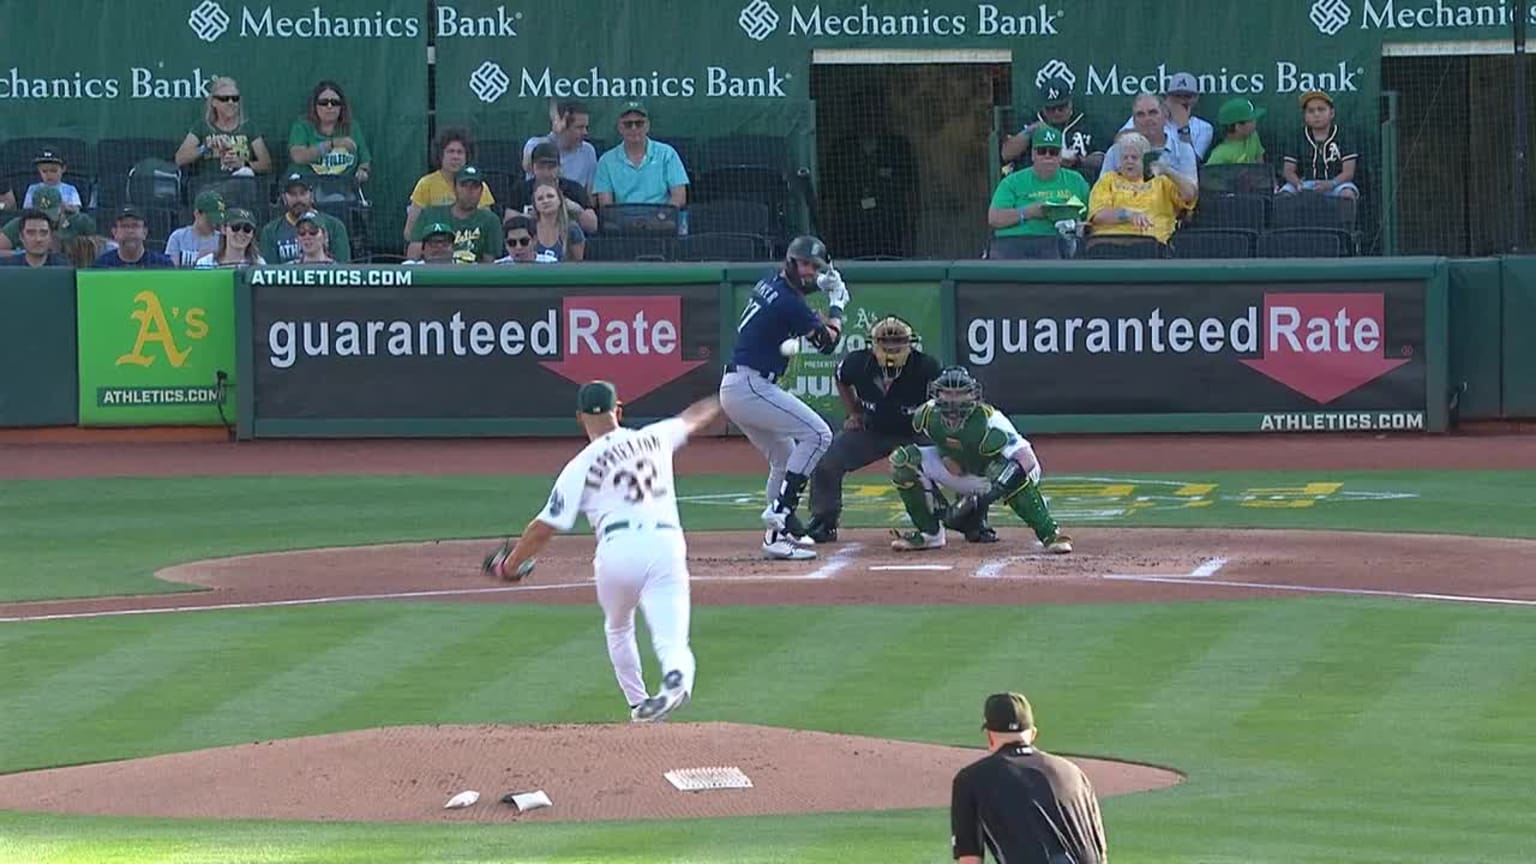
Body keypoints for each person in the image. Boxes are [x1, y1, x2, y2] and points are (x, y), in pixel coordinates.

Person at [480, 382, 722, 723]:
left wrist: (510, 565)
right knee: (672, 639)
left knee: (619, 627)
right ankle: (674, 683)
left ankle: (639, 704)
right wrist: (725, 396)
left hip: (616, 551)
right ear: (618, 409)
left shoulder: (580, 465)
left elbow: (543, 528)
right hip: (666, 546)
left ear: (579, 418)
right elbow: (694, 417)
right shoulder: (655, 436)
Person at [719, 235, 848, 561]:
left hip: (740, 384)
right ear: (791, 262)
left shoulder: (771, 283)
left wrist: (822, 283)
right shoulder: (789, 303)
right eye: (805, 264)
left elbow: (798, 292)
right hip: (749, 386)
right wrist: (837, 306)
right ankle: (779, 513)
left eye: (814, 266)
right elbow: (827, 343)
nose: (809, 271)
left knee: (784, 454)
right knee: (819, 435)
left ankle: (780, 533)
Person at [888, 366, 1071, 553]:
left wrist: (988, 496)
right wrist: (945, 456)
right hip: (966, 471)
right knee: (904, 460)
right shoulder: (927, 414)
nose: (953, 400)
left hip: (1000, 477)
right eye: (948, 393)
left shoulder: (989, 420)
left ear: (972, 395)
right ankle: (930, 534)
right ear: (937, 394)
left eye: (960, 394)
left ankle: (1049, 533)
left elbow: (1027, 459)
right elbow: (938, 439)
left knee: (1002, 469)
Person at [803, 316, 941, 543]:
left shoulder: (926, 366)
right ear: (874, 343)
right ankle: (824, 520)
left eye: (898, 341)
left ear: (909, 343)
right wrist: (854, 412)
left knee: (956, 458)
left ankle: (969, 520)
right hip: (873, 430)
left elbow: (942, 397)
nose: (892, 347)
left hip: (914, 431)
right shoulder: (858, 363)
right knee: (827, 459)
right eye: (886, 342)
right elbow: (840, 378)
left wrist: (935, 427)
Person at [950, 693, 1108, 864]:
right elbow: (1099, 851)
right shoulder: (1075, 774)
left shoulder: (971, 779)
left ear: (989, 736)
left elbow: (970, 860)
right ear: (1032, 734)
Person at [987, 125, 1091, 258]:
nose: (1047, 156)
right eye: (1042, 151)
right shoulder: (1012, 182)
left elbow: (1089, 216)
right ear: (1033, 155)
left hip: (1057, 241)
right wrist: (1029, 212)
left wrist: (1075, 224)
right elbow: (994, 218)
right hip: (1014, 242)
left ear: (1060, 156)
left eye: (1053, 152)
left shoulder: (1076, 180)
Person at [1087, 132, 1198, 254]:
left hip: (1150, 245)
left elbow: (1189, 195)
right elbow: (1097, 216)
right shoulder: (1108, 180)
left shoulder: (1161, 182)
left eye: (1134, 157)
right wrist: (1128, 215)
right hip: (1108, 243)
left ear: (1145, 160)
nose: (1129, 161)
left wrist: (1167, 170)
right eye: (1125, 157)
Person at [404, 127, 493, 246]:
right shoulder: (426, 184)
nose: (455, 157)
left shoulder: (480, 186)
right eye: (450, 151)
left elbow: (488, 228)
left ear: (467, 156)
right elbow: (410, 232)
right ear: (441, 155)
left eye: (460, 152)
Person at [1000, 77, 1107, 176]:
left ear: (1070, 103)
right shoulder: (1031, 122)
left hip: (1075, 190)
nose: (1057, 112)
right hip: (1035, 190)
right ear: (1043, 107)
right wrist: (1031, 130)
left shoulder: (1086, 123)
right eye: (1051, 108)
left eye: (1061, 107)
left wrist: (1078, 161)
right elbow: (1006, 154)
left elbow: (1104, 161)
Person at [593, 102, 689, 207]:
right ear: (620, 128)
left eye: (639, 123)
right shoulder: (606, 161)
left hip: (662, 219)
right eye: (628, 124)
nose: (634, 128)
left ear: (648, 126)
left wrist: (660, 218)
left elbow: (679, 197)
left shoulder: (667, 154)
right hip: (622, 221)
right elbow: (606, 206)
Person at [173, 76, 272, 177]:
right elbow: (179, 159)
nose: (231, 103)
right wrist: (205, 147)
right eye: (224, 99)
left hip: (241, 184)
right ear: (214, 102)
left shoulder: (249, 127)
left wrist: (243, 164)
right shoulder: (202, 126)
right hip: (208, 185)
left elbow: (266, 165)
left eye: (235, 99)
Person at [406, 166, 503, 263]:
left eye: (475, 186)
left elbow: (489, 264)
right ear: (454, 188)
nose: (469, 191)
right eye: (464, 185)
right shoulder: (430, 214)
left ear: (481, 191)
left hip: (473, 275)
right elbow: (412, 258)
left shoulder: (491, 220)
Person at [287, 80, 372, 184]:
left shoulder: (352, 127)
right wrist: (333, 144)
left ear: (342, 107)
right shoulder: (302, 126)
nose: (329, 106)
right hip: (307, 189)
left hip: (342, 188)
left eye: (335, 103)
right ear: (315, 105)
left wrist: (362, 171)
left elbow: (364, 160)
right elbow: (298, 157)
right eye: (323, 103)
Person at [1117, 72, 1214, 162]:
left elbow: (1193, 164)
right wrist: (1149, 126)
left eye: (1187, 96)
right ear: (1167, 97)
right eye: (1177, 96)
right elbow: (1118, 140)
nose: (1181, 101)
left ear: (1196, 98)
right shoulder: (1149, 114)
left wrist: (1183, 127)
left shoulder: (1204, 127)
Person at [1281, 90, 1360, 199]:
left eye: (1321, 109)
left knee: (1347, 194)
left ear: (1331, 113)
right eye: (1311, 111)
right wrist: (1298, 184)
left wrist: (1331, 184)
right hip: (1305, 184)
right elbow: (1288, 171)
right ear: (1305, 116)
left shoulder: (1345, 135)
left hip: (1336, 184)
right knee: (1284, 196)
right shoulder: (1296, 136)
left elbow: (1348, 172)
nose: (1316, 114)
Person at [1101, 92, 1199, 179]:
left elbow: (1192, 195)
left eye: (1153, 113)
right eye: (1140, 114)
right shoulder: (1115, 152)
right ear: (1134, 121)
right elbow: (1101, 192)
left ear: (1165, 116)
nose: (1147, 119)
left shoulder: (1184, 150)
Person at [260, 173, 351, 265]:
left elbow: (343, 267)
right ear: (284, 198)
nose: (298, 199)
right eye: (292, 194)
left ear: (311, 195)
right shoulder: (270, 231)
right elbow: (268, 271)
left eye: (303, 193)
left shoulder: (334, 226)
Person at [509, 141, 598, 234]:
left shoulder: (575, 189)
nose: (546, 173)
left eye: (551, 167)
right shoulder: (521, 189)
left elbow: (593, 226)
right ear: (532, 168)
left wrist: (572, 208)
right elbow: (508, 221)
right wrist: (530, 217)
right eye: (541, 167)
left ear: (559, 167)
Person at [522, 99, 597, 190]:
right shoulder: (535, 144)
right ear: (563, 127)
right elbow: (527, 167)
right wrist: (557, 133)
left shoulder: (588, 151)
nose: (585, 132)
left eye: (586, 127)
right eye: (579, 127)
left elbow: (589, 191)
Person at [0, 187, 96, 254]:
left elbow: (95, 248)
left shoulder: (79, 221)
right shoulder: (21, 223)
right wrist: (26, 253)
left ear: (61, 207)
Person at [94, 207, 173, 268]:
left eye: (135, 226)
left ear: (145, 232)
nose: (130, 231)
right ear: (114, 232)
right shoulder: (101, 265)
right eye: (124, 226)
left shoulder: (162, 265)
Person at [166, 191, 226, 267]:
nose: (214, 224)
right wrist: (199, 258)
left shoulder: (223, 240)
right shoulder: (178, 237)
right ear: (197, 214)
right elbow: (170, 269)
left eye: (217, 220)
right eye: (210, 220)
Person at [531, 180, 586, 262]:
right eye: (540, 199)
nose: (545, 201)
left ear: (559, 200)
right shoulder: (530, 228)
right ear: (535, 205)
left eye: (550, 196)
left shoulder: (572, 229)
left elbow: (577, 265)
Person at [194, 208, 266, 268]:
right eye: (235, 227)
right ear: (223, 229)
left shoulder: (259, 264)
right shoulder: (206, 263)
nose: (241, 233)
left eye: (247, 229)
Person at [1205, 98, 1267, 165]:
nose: (1255, 121)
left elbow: (1261, 166)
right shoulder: (1219, 155)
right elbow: (1210, 174)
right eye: (1251, 120)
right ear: (1238, 127)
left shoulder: (1253, 136)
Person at [0, 209, 70, 267]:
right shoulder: (5, 268)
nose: (38, 239)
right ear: (21, 237)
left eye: (43, 233)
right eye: (31, 233)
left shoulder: (64, 267)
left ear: (50, 237)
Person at [22, 149, 83, 213]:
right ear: (38, 170)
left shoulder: (70, 190)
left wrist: (65, 207)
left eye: (53, 171)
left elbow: (77, 210)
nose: (49, 175)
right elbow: (27, 210)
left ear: (63, 169)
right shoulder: (33, 189)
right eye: (44, 171)